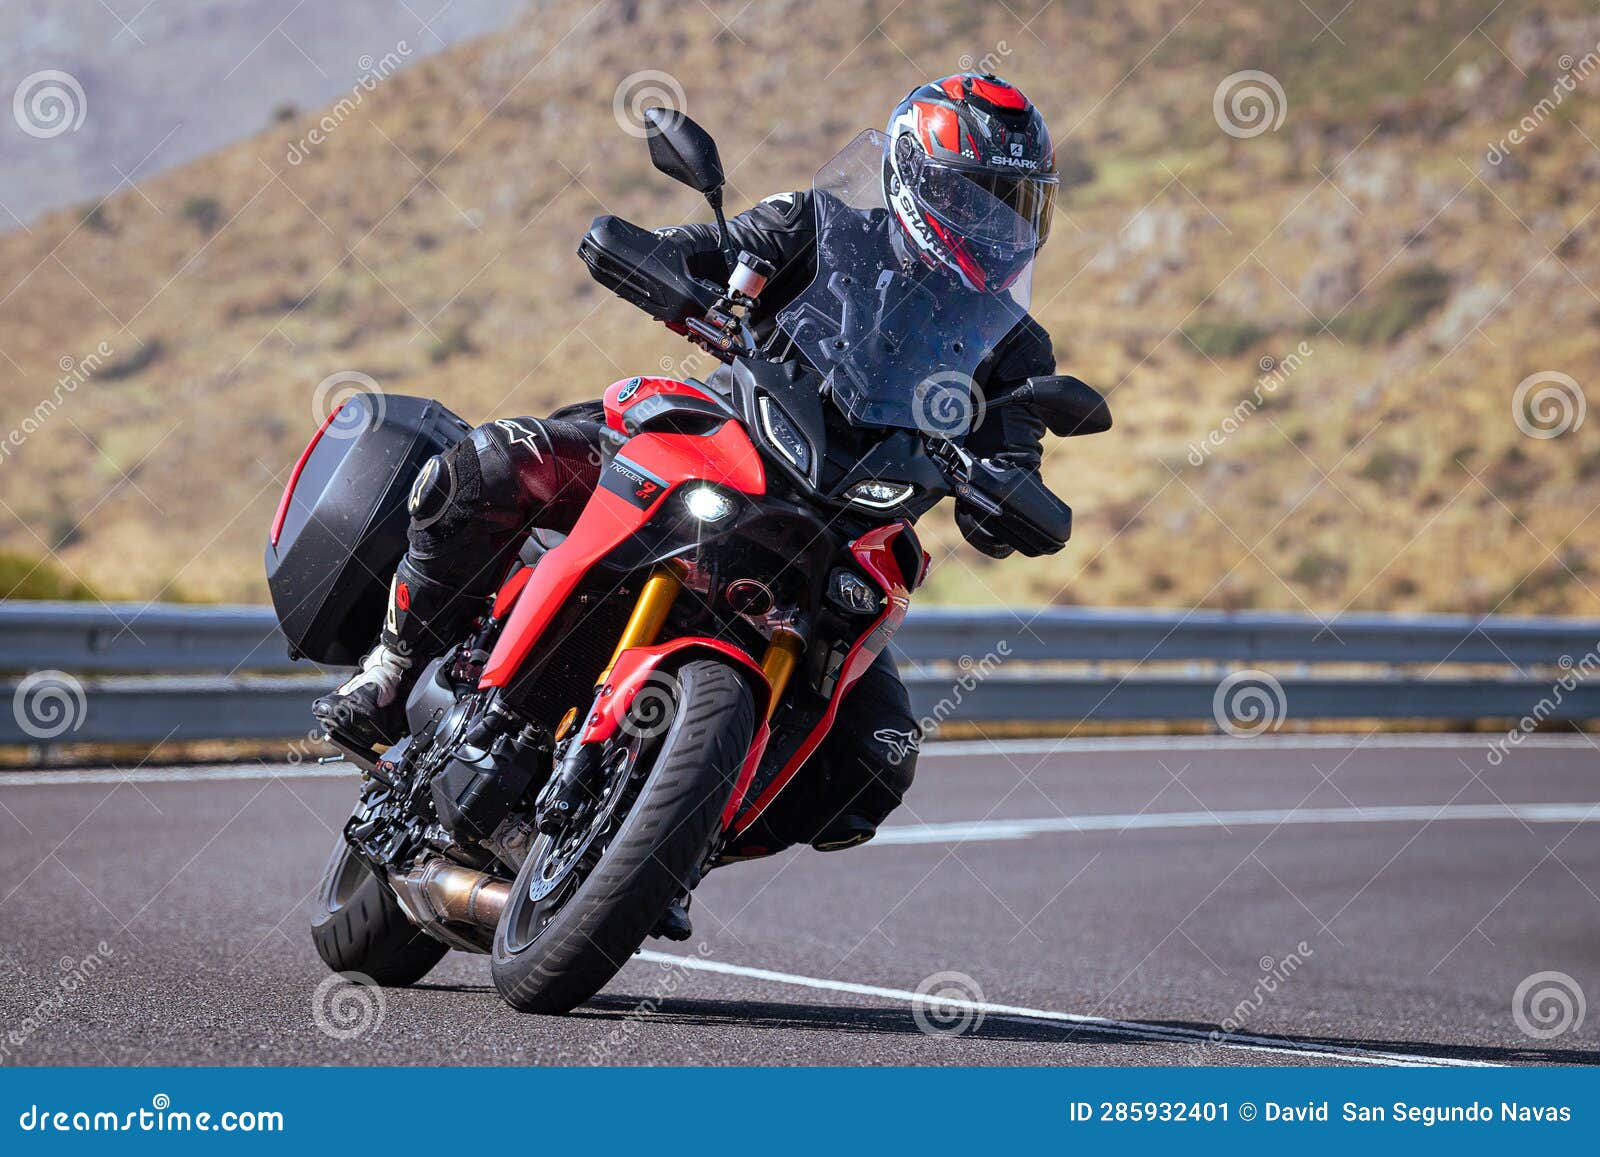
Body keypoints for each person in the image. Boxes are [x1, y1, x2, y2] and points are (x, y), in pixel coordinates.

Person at [315, 72, 1062, 874]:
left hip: (848, 526)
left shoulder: (1017, 350)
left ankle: (676, 844)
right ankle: (392, 669)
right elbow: (695, 250)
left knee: (875, 760)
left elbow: (1014, 462)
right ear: (919, 180)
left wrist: (1007, 494)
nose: (1002, 225)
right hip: (720, 440)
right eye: (982, 200)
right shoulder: (818, 224)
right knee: (491, 465)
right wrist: (667, 269)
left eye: (1018, 205)